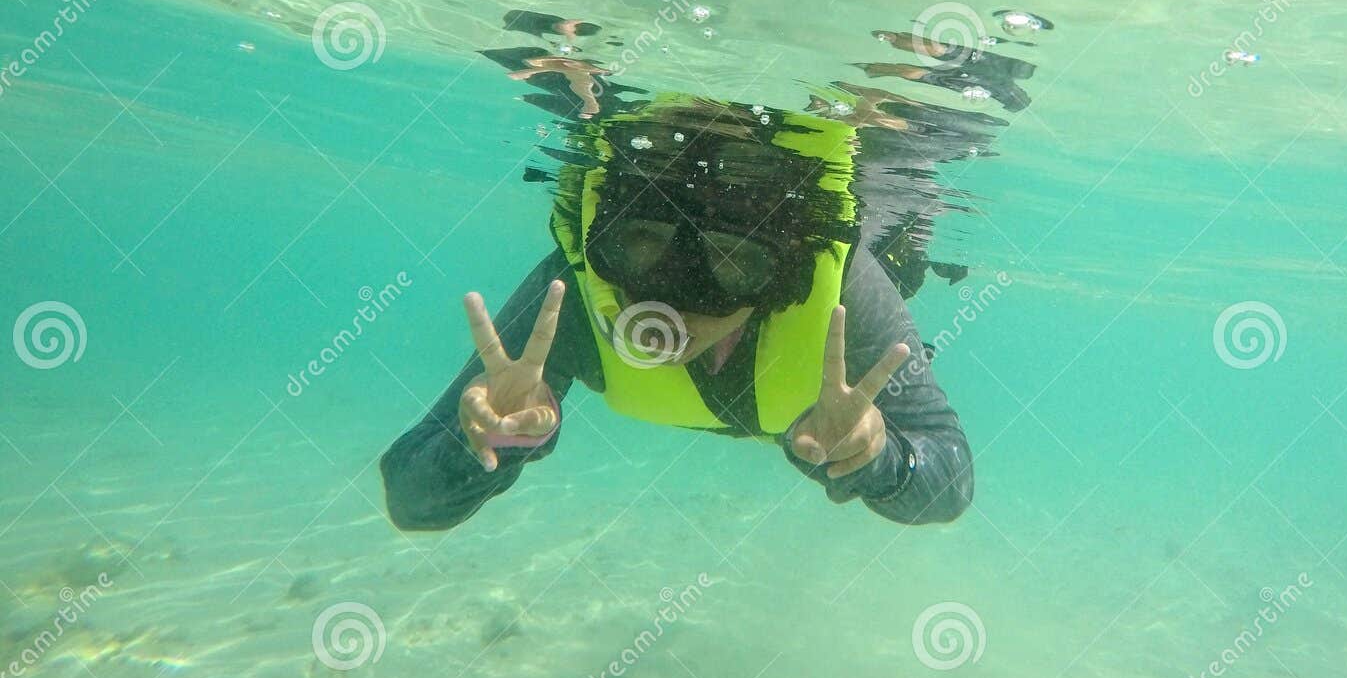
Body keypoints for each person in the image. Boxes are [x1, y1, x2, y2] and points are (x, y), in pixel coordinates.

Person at [379, 98, 974, 531]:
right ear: (603, 239)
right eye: (640, 244)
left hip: (874, 266)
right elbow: (412, 502)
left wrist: (878, 460)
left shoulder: (843, 298)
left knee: (902, 261)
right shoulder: (571, 299)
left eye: (732, 262)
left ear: (783, 273)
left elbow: (950, 484)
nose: (673, 302)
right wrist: (488, 444)